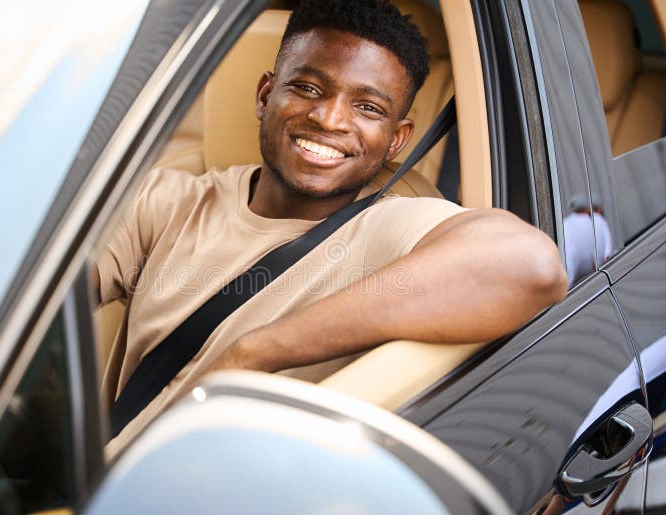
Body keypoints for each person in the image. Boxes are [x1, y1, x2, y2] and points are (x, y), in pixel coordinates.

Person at [95, 0, 568, 451]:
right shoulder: (164, 202)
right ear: (265, 95)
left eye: (368, 108)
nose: (329, 118)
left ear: (397, 139)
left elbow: (533, 267)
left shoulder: (391, 229)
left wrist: (253, 353)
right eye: (308, 88)